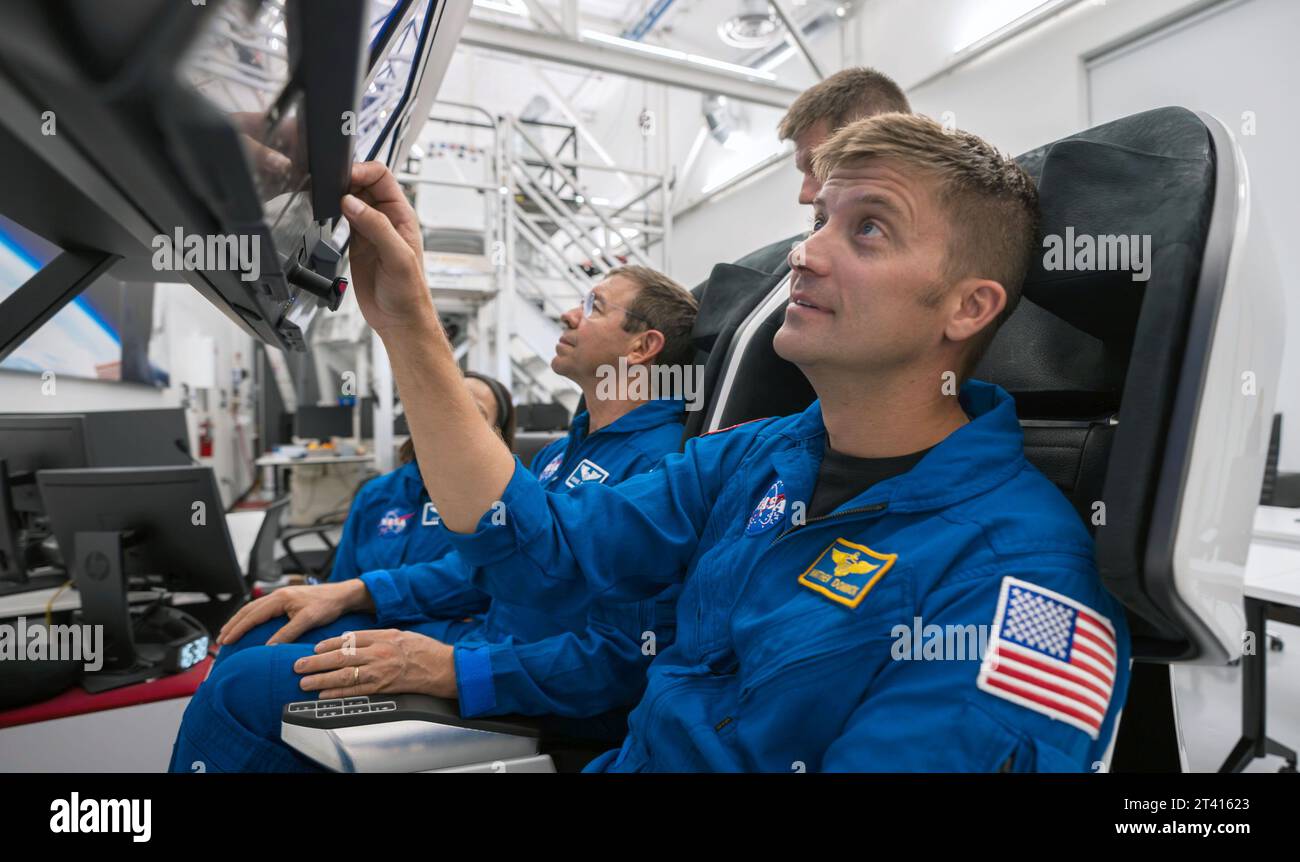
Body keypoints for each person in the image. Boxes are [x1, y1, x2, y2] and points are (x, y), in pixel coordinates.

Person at [318, 110, 1131, 772]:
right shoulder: (754, 457)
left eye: (870, 229)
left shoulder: (1021, 587)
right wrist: (408, 324)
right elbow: (538, 546)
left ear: (967, 308)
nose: (804, 254)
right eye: (818, 223)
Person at [169, 266, 699, 772]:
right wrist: (353, 592)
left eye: (593, 307)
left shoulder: (661, 467)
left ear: (642, 347)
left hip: (539, 696)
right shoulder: (562, 453)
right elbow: (482, 571)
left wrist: (449, 669)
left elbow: (624, 660)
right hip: (489, 642)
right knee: (264, 634)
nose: (567, 314)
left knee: (245, 687)